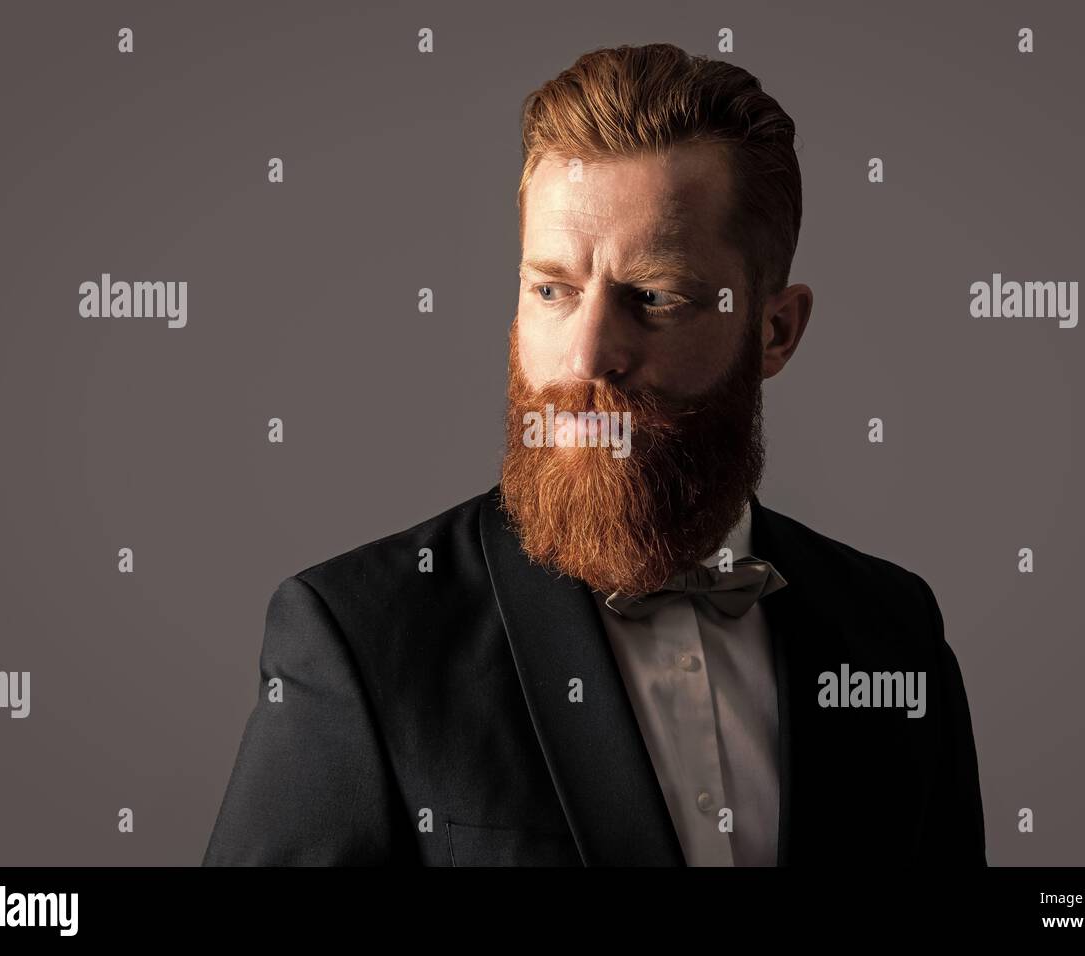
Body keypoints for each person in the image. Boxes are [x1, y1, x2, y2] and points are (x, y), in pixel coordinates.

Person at [202, 42, 986, 867]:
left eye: (654, 297)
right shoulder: (357, 637)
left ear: (776, 331)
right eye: (553, 290)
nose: (586, 357)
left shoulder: (895, 632)